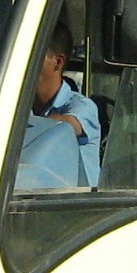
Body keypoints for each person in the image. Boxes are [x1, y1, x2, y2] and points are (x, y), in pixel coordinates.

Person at [32, 22, 101, 187]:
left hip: (76, 206)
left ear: (57, 62)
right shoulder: (17, 108)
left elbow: (69, 126)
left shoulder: (83, 106)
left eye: (32, 56)